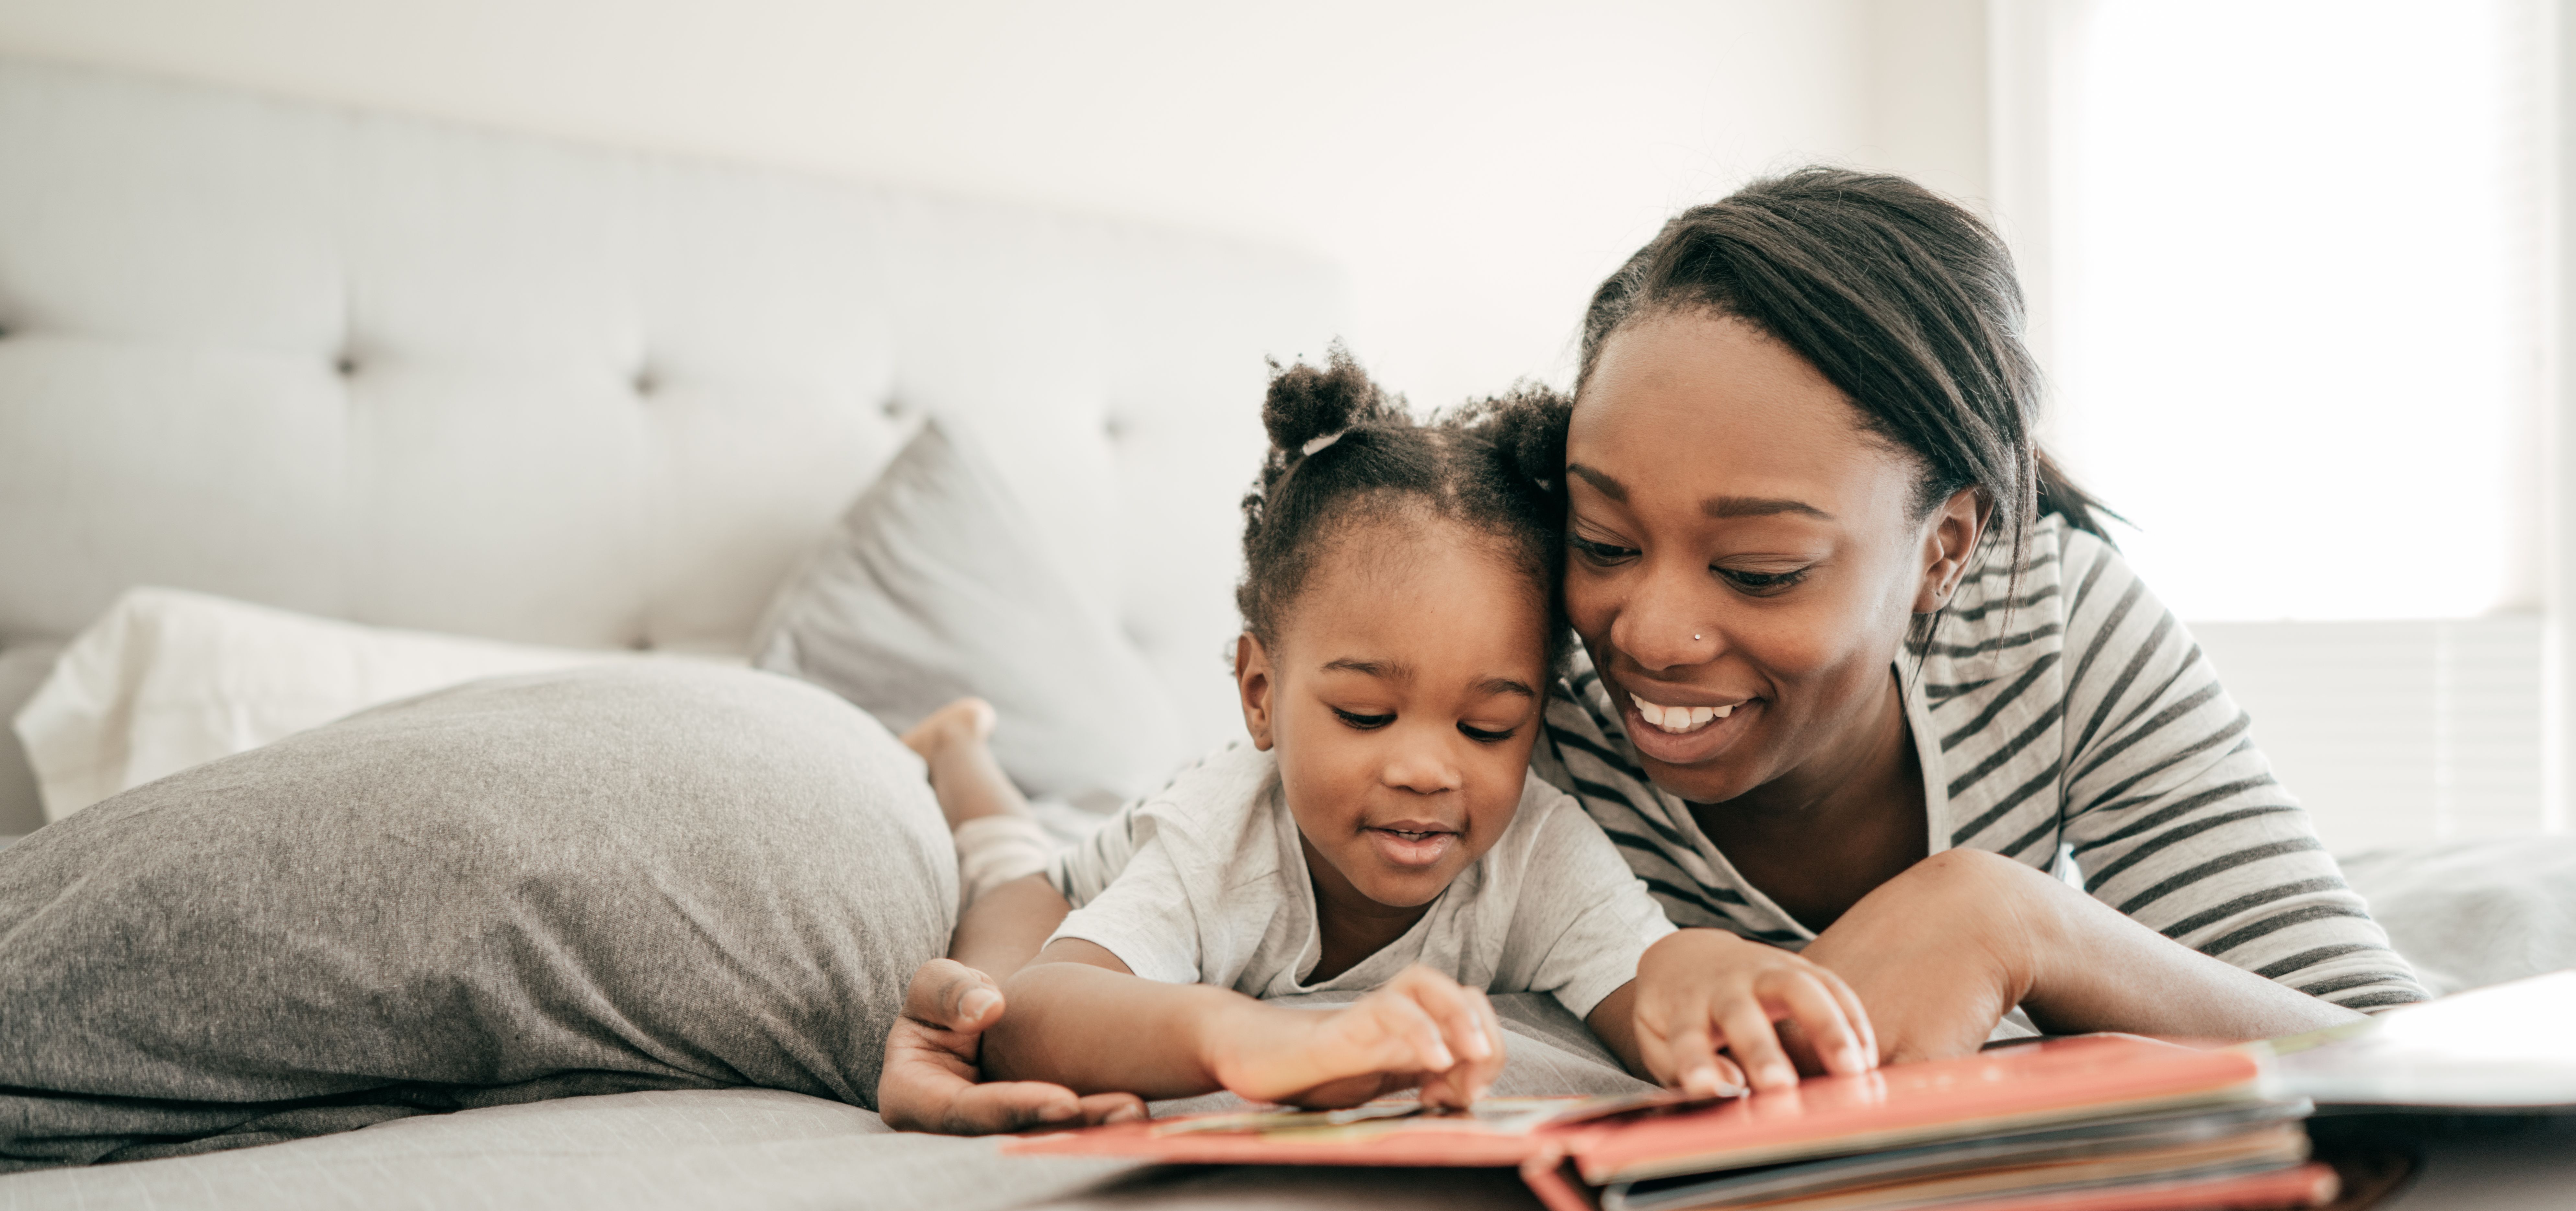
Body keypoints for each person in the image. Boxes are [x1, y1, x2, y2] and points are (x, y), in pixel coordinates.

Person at [880, 167, 2424, 1135]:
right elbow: (1172, 882)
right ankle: (962, 756)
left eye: (1758, 567)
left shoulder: (2059, 629)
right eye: (1603, 537)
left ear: (1947, 547)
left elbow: (2412, 1051)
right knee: (1023, 833)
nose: (1647, 635)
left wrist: (2018, 919)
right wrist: (987, 1004)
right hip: (1109, 844)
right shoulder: (1501, 694)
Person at [890, 351, 1875, 1127]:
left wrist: (1705, 973)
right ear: (1262, 695)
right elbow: (1044, 1008)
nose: (1425, 770)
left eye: (1488, 727)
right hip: (1078, 879)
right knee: (1008, 883)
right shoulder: (1218, 842)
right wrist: (1248, 1039)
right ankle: (959, 749)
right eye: (1365, 715)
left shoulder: (1541, 852)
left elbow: (1642, 974)